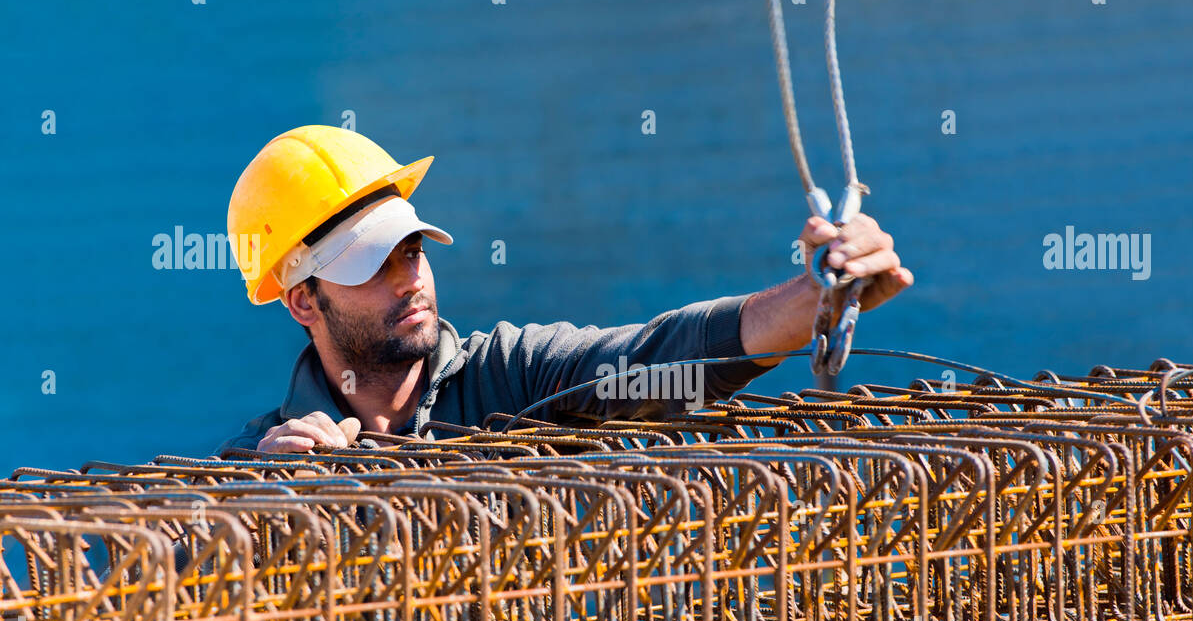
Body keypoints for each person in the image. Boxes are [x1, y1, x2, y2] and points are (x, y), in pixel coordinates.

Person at [218, 126, 912, 454]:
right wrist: (269, 511)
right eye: (371, 265)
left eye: (412, 249)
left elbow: (656, 362)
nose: (410, 278)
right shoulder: (259, 460)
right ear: (304, 300)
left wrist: (810, 300)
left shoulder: (515, 379)